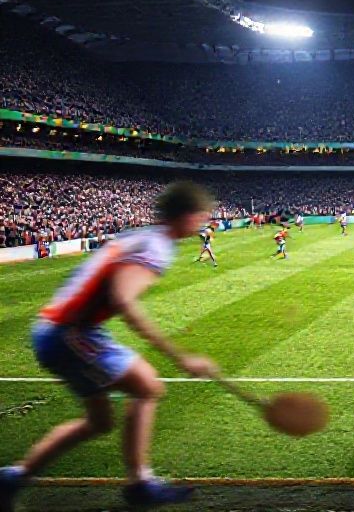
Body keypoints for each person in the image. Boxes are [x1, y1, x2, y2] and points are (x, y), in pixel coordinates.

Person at [0, 182, 219, 510]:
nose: (204, 221)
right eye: (201, 214)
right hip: (70, 333)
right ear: (186, 216)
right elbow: (124, 299)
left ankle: (13, 478)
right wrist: (182, 358)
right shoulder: (156, 246)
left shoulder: (143, 238)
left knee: (100, 421)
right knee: (148, 388)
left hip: (60, 329)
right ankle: (140, 484)